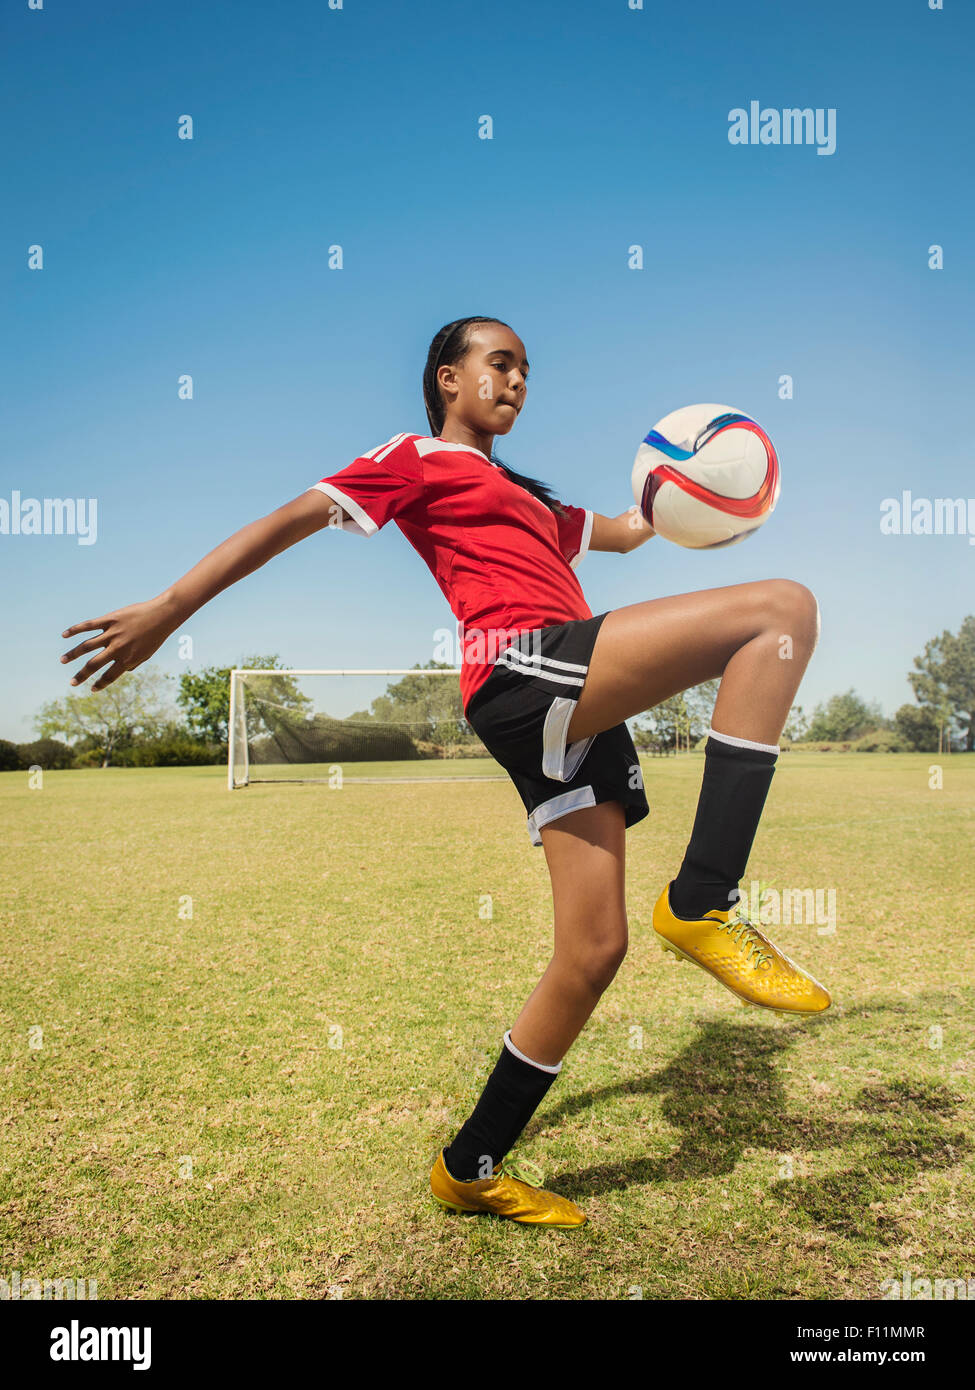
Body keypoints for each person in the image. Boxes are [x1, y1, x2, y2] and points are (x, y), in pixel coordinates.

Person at [60, 314, 829, 1232]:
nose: (515, 383)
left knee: (592, 952)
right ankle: (704, 900)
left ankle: (469, 1165)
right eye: (497, 364)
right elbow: (286, 522)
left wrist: (703, 484)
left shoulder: (531, 500)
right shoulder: (416, 458)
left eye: (525, 371)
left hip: (571, 702)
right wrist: (169, 607)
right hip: (522, 666)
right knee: (781, 610)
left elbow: (629, 529)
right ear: (446, 378)